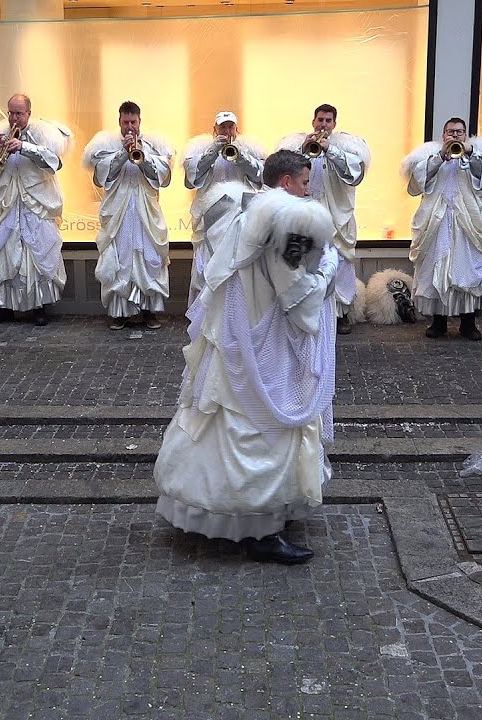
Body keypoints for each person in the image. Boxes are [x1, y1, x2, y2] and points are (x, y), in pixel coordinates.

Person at [155, 150, 338, 564]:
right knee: (262, 423)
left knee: (225, 415)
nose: (309, 191)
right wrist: (329, 269)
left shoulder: (245, 214)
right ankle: (261, 529)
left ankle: (235, 511)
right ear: (288, 182)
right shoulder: (289, 221)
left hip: (237, 336)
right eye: (306, 183)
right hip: (267, 340)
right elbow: (298, 294)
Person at [402, 117, 482, 340]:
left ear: (466, 135)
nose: (455, 136)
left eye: (459, 132)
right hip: (437, 223)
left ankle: (468, 322)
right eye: (451, 132)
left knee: (468, 269)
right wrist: (441, 157)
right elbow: (419, 181)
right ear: (443, 135)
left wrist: (468, 152)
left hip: (467, 223)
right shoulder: (431, 156)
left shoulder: (477, 156)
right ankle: (438, 322)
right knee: (436, 267)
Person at [0, 94, 72, 327]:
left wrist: (24, 146)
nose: (14, 118)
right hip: (9, 206)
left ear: (29, 113)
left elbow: (54, 164)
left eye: (19, 113)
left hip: (35, 205)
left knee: (35, 254)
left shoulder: (43, 135)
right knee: (6, 253)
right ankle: (4, 307)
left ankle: (38, 306)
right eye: (10, 112)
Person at [277, 104, 369, 334]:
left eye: (328, 121)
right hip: (306, 214)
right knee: (306, 263)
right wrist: (303, 149)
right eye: (320, 120)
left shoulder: (345, 149)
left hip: (335, 218)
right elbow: (283, 175)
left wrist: (331, 151)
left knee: (339, 264)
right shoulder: (301, 146)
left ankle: (342, 313)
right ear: (313, 121)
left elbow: (354, 177)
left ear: (335, 124)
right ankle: (309, 311)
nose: (323, 124)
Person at [84, 101, 175, 330]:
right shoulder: (108, 147)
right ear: (119, 122)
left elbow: (162, 178)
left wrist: (142, 157)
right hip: (120, 213)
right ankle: (119, 312)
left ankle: (149, 311)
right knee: (121, 259)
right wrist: (123, 154)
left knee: (148, 259)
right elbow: (102, 177)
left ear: (140, 121)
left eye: (133, 122)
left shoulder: (153, 147)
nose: (130, 127)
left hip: (146, 212)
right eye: (125, 122)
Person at [182, 111, 265, 304]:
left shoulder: (249, 150)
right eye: (222, 127)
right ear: (215, 130)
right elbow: (192, 179)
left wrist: (241, 156)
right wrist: (213, 151)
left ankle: (234, 306)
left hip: (238, 215)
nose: (226, 131)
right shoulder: (202, 150)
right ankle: (204, 307)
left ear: (237, 129)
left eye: (230, 127)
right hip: (210, 217)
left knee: (236, 261)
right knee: (207, 261)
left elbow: (259, 177)